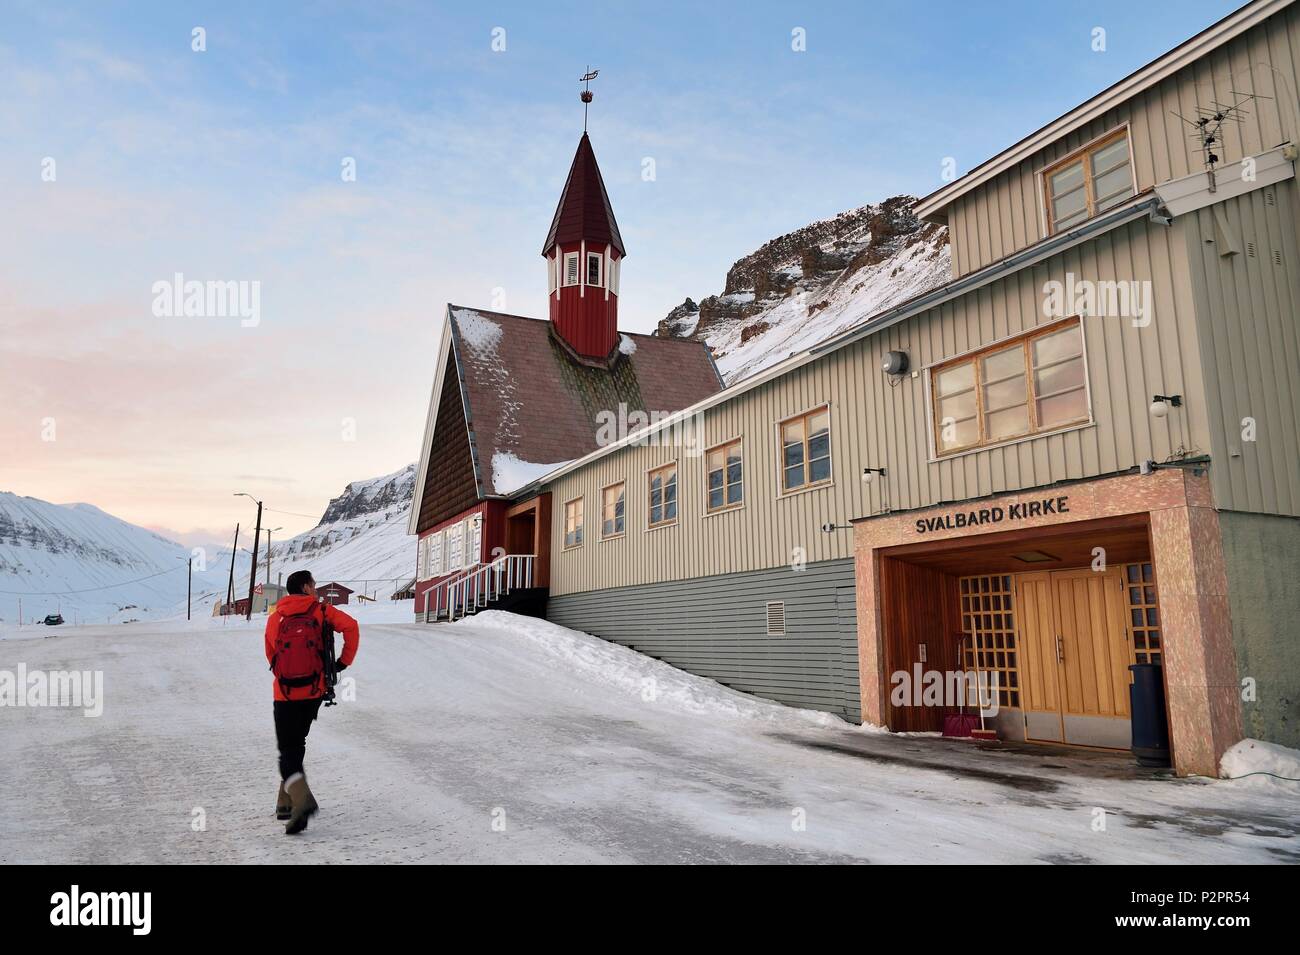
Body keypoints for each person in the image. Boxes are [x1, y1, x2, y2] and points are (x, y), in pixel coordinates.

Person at [264, 570, 359, 835]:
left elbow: (271, 655)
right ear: (305, 587)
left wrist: (287, 677)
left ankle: (300, 799)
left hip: (284, 693)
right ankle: (285, 802)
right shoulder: (322, 611)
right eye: (314, 586)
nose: (316, 590)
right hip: (314, 691)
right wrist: (343, 662)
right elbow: (351, 626)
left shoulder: (276, 617)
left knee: (288, 749)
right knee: (297, 743)